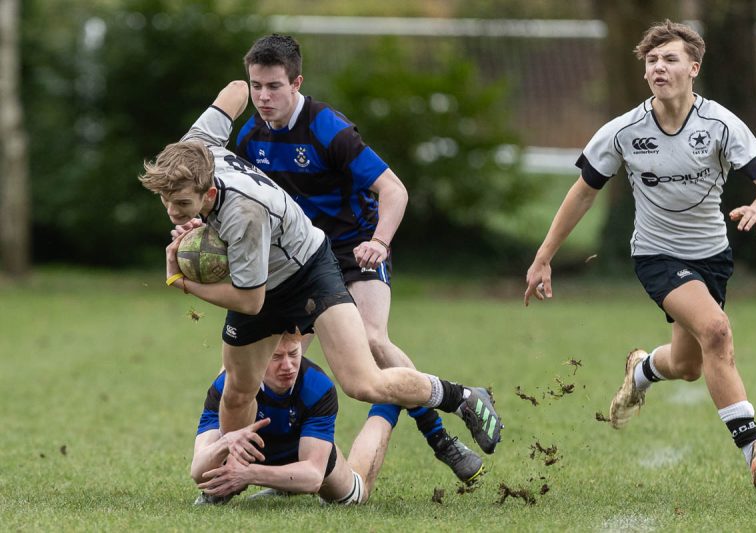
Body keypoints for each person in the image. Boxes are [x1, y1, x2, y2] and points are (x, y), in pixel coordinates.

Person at [138, 80, 502, 470]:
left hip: (309, 271)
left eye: (182, 204)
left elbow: (251, 300)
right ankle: (236, 474)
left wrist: (183, 281)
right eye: (166, 201)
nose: (173, 211)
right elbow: (235, 89)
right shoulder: (197, 149)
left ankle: (462, 396)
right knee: (237, 390)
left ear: (209, 195)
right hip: (268, 274)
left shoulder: (245, 214)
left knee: (362, 382)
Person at [523, 19, 756, 488]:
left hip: (712, 256)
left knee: (689, 365)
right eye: (651, 61)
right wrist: (544, 256)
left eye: (669, 59)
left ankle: (641, 369)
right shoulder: (624, 131)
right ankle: (755, 450)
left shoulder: (721, 124)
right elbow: (583, 193)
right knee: (717, 330)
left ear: (694, 67)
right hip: (657, 255)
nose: (658, 67)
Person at [232, 34, 483, 483]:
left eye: (273, 87)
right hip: (299, 259)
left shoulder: (328, 128)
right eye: (256, 87)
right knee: (276, 357)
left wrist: (380, 242)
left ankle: (441, 436)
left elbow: (394, 189)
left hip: (354, 248)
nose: (263, 97)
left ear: (297, 82)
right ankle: (265, 466)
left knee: (370, 340)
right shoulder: (250, 136)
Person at [191, 332, 400, 505]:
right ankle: (282, 484)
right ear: (257, 357)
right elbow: (198, 470)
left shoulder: (317, 387)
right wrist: (226, 442)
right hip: (254, 453)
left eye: (293, 354)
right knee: (213, 473)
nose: (288, 366)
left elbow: (313, 476)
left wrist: (248, 474)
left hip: (307, 450)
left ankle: (388, 406)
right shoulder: (227, 389)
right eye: (276, 357)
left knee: (355, 496)